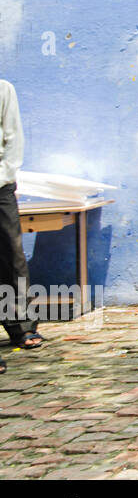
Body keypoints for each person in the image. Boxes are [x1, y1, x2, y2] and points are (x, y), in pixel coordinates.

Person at [0, 76, 40, 372]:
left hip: (0, 184)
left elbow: (13, 138)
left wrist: (3, 176)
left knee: (12, 255)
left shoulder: (4, 89)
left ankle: (22, 326)